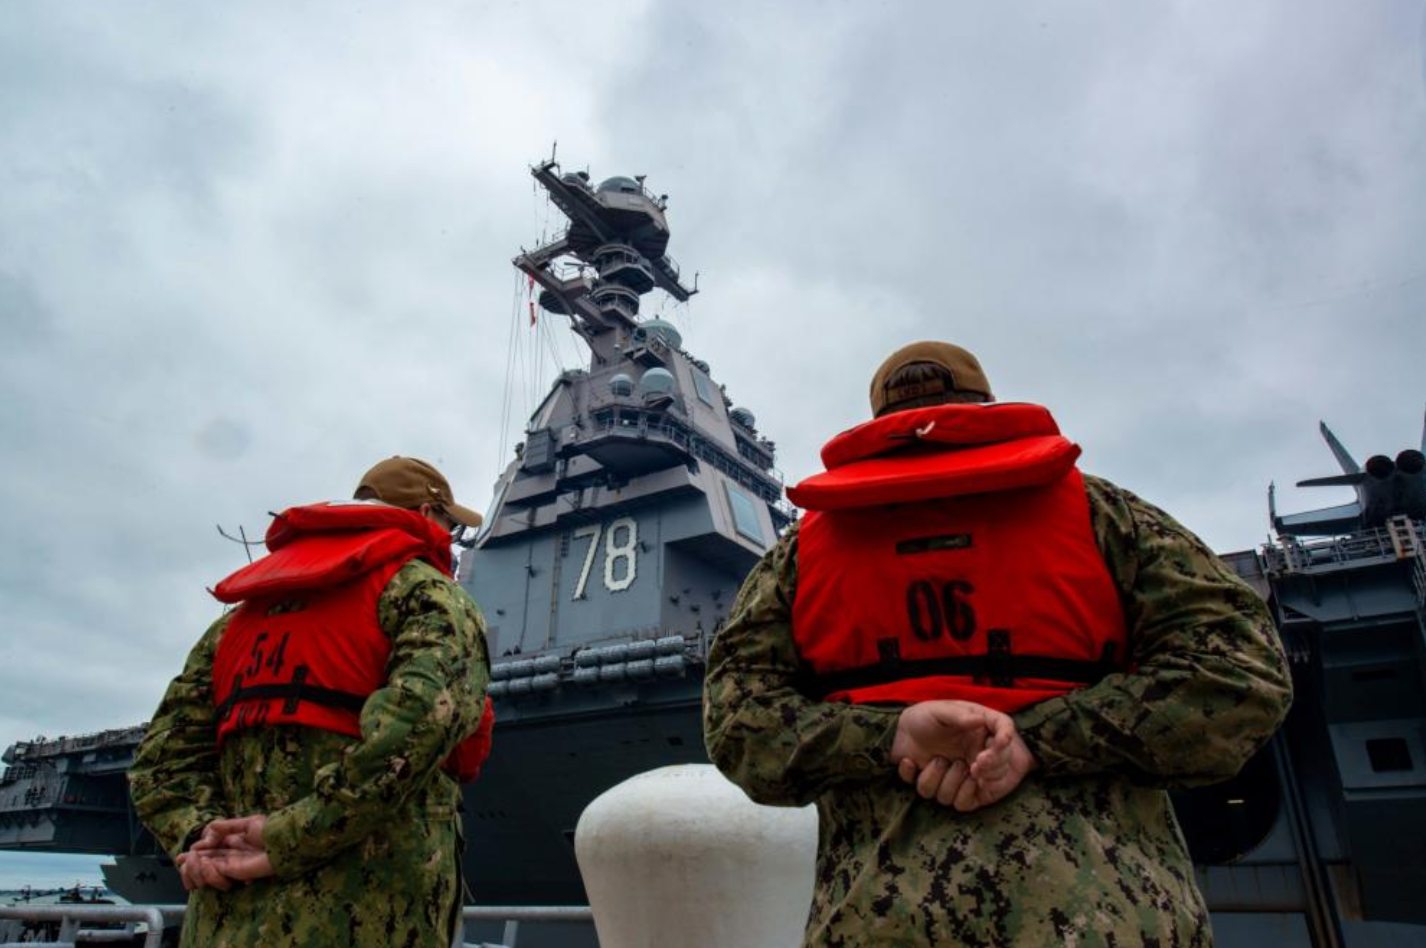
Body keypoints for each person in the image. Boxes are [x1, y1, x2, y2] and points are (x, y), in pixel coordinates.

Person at [703, 341, 1293, 947]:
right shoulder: (1103, 512)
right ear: (984, 404)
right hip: (1108, 918)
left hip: (876, 922)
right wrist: (1035, 741)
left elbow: (738, 724)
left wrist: (892, 736)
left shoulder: (799, 554)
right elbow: (1241, 673)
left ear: (880, 420)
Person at [129, 456, 493, 948]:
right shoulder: (428, 596)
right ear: (428, 513)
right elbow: (413, 735)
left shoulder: (236, 622)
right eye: (450, 526)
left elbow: (158, 763)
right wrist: (284, 839)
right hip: (367, 919)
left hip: (222, 926)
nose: (451, 539)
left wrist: (204, 842)